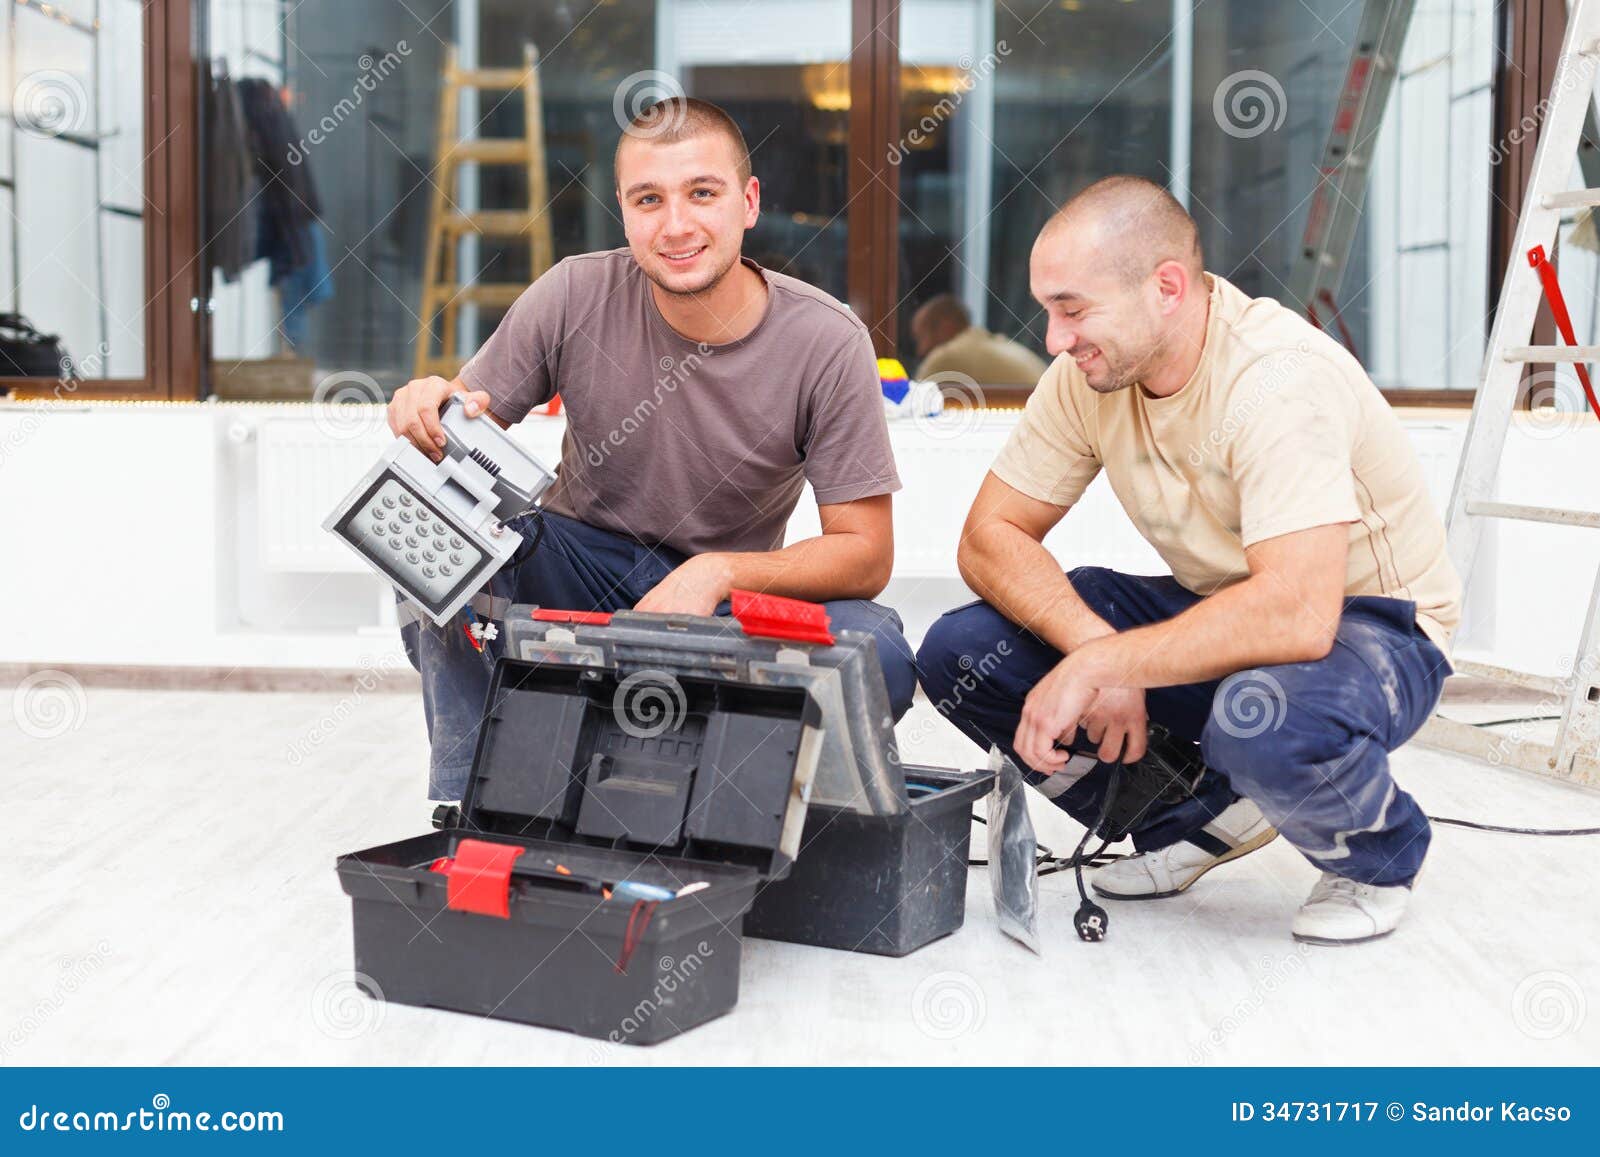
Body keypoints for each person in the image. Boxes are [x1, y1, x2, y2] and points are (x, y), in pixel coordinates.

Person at [916, 175, 1461, 945]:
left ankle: (1379, 854)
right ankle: (1195, 816)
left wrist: (1114, 666)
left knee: (1264, 717)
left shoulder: (1279, 378)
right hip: (1228, 606)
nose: (1053, 338)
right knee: (963, 651)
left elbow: (1300, 615)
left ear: (1166, 287)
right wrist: (1098, 653)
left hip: (1369, 628)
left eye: (1072, 309)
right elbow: (989, 535)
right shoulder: (1091, 374)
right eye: (1048, 310)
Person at [389, 97, 914, 801]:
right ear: (624, 211)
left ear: (749, 202)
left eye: (703, 193)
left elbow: (866, 552)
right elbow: (463, 420)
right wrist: (427, 408)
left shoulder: (828, 341)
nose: (676, 225)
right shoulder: (574, 291)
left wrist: (716, 573)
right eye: (648, 199)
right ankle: (482, 795)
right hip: (579, 572)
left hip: (726, 605)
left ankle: (715, 791)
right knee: (430, 531)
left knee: (875, 647)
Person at [910, 294, 1048, 385]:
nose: (919, 351)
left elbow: (914, 404)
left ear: (946, 325)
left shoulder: (948, 356)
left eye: (921, 337)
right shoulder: (986, 343)